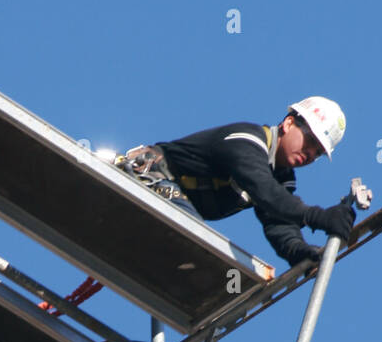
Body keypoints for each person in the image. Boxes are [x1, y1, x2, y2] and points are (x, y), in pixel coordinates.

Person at [115, 96, 356, 269]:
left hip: (179, 201)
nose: (311, 153)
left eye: (318, 152)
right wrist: (317, 217)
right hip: (150, 178)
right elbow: (265, 192)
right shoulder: (247, 140)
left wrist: (298, 250)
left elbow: (278, 220)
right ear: (289, 123)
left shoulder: (282, 177)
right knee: (198, 248)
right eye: (310, 140)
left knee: (202, 260)